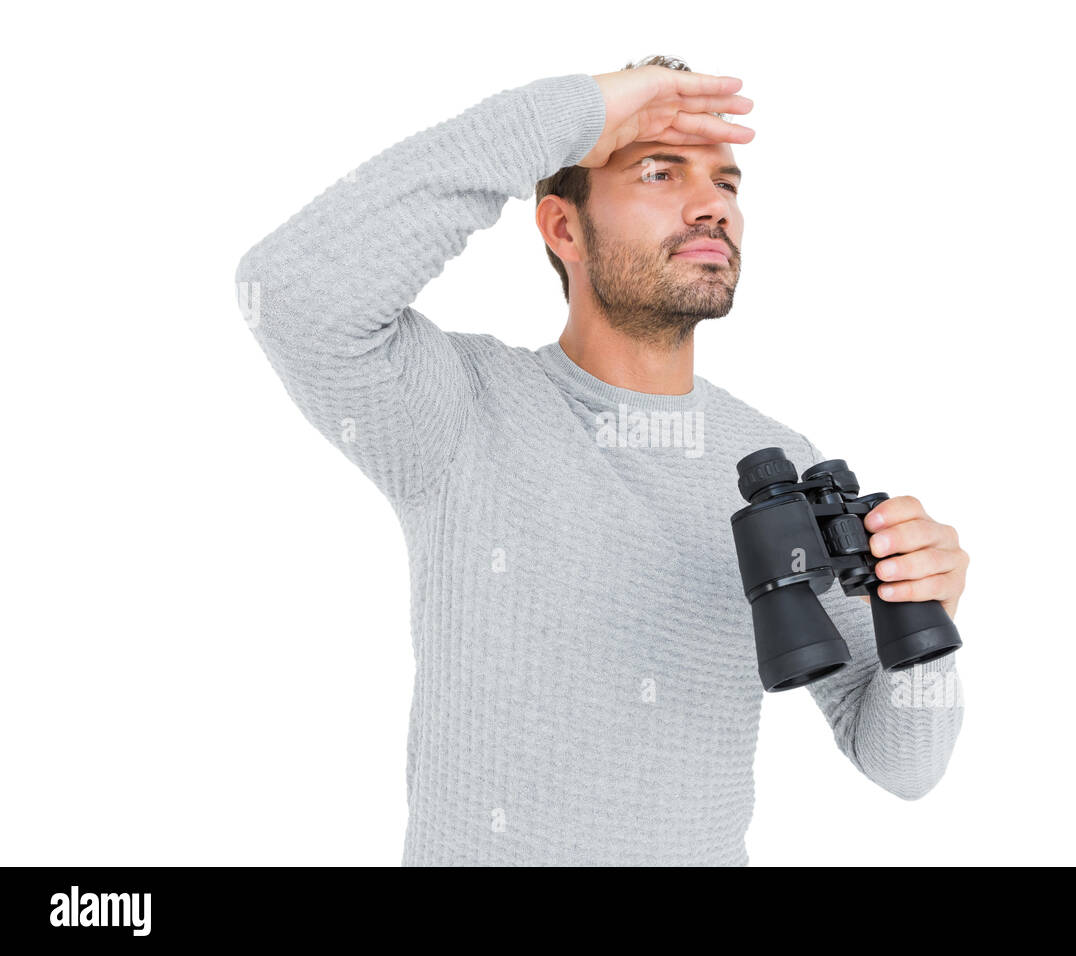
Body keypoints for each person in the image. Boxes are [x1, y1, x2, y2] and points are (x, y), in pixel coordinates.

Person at [233, 54, 968, 866]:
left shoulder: (782, 461)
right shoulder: (457, 409)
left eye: (727, 183)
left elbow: (904, 765)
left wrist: (925, 619)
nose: (711, 206)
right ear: (561, 227)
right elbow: (287, 293)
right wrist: (572, 113)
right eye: (660, 171)